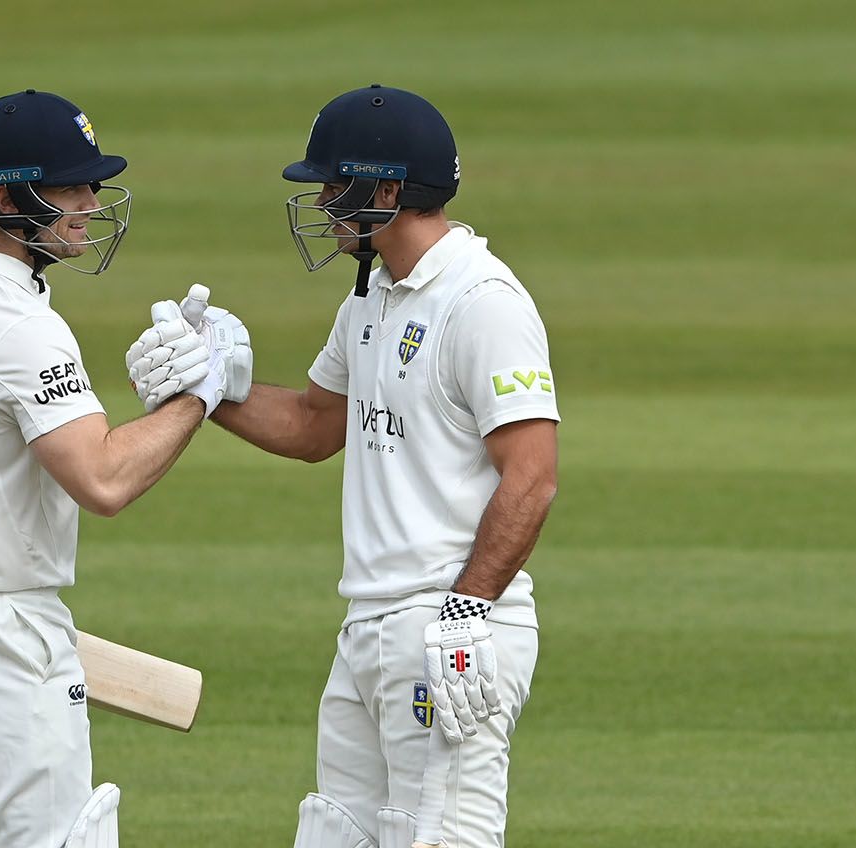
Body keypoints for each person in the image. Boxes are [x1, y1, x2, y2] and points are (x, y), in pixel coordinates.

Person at [136, 84, 560, 848]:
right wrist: (205, 387)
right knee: (339, 836)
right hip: (366, 630)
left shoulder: (483, 300)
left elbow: (532, 475)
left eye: (335, 187)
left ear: (388, 189)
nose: (325, 203)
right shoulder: (370, 299)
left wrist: (467, 614)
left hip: (449, 625)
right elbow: (310, 423)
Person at [0, 89, 223, 848]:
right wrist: (200, 395)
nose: (90, 203)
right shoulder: (24, 328)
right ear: (5, 196)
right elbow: (102, 480)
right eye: (69, 187)